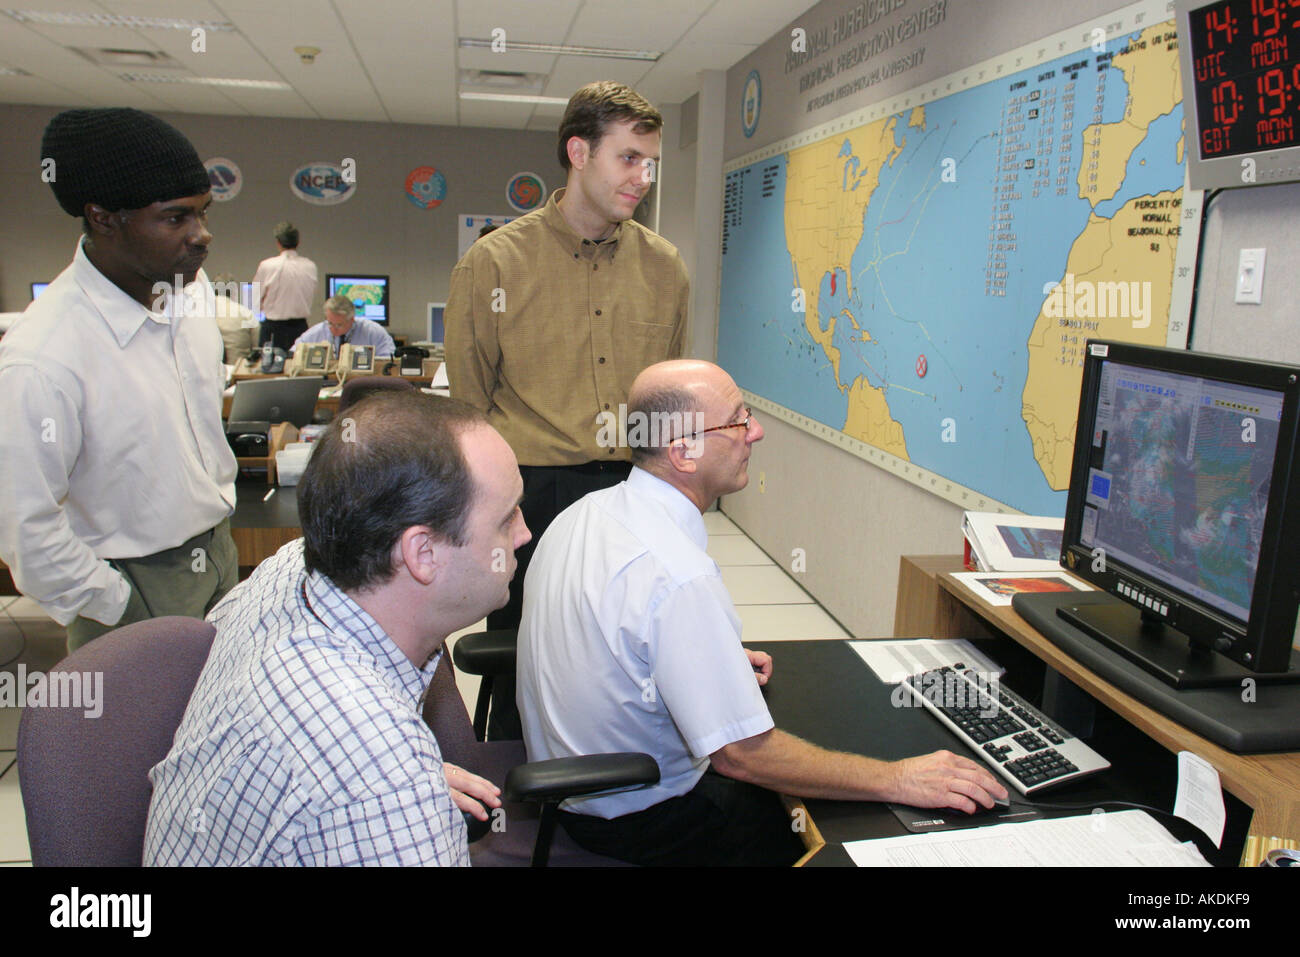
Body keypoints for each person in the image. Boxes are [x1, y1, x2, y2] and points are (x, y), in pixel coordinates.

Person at [516, 360, 1008, 866]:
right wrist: (900, 777)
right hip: (636, 820)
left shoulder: (585, 513)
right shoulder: (676, 572)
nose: (756, 431)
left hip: (578, 785)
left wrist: (699, 664)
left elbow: (609, 635)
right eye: (737, 421)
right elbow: (743, 756)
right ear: (684, 452)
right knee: (831, 833)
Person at [145, 390, 530, 866]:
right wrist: (384, 784)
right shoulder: (382, 781)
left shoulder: (288, 569)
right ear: (422, 553)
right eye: (506, 516)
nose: (523, 533)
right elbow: (362, 768)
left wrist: (376, 777)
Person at [446, 80, 690, 737]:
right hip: (533, 491)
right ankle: (514, 804)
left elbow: (667, 398)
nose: (644, 177)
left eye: (652, 163)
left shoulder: (665, 269)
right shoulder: (493, 263)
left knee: (626, 655)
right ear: (578, 152)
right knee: (524, 656)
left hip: (631, 490)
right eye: (629, 158)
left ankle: (620, 797)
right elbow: (469, 407)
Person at [0, 107, 238, 652]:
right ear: (103, 218)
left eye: (203, 214)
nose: (202, 236)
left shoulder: (190, 291)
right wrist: (116, 603)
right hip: (134, 582)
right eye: (176, 218)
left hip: (219, 553)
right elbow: (25, 527)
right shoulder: (44, 358)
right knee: (145, 738)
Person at [251, 220, 317, 352]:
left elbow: (254, 299)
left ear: (278, 243)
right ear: (298, 243)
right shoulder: (310, 266)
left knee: (269, 369)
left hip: (273, 328)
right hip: (300, 327)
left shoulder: (267, 265)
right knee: (298, 368)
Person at [291, 293, 395, 357]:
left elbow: (389, 358)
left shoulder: (373, 331)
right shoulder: (317, 331)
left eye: (339, 325)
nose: (333, 329)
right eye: (330, 323)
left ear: (352, 319)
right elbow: (293, 354)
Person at [211, 272, 259, 364]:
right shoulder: (245, 313)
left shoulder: (201, 314)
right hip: (238, 373)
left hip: (209, 373)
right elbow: (257, 347)